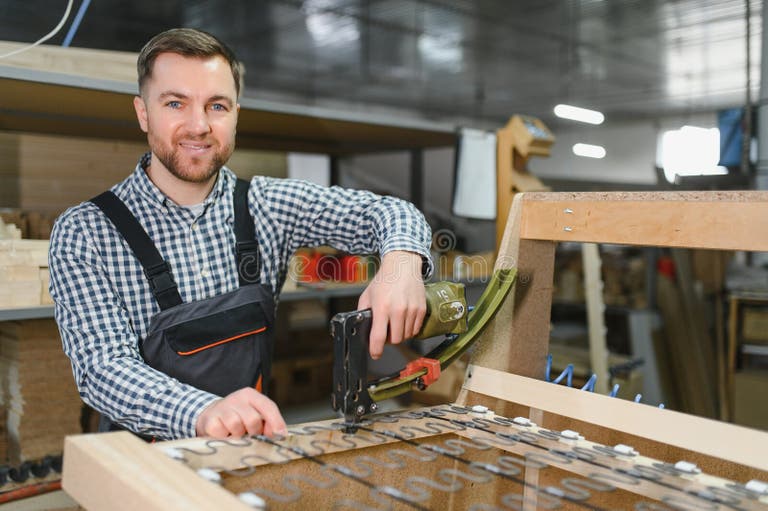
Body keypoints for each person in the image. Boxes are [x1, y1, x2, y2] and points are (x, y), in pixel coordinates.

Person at [48, 28, 432, 440]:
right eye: (175, 103)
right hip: (143, 467)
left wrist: (401, 265)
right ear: (143, 113)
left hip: (247, 448)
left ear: (235, 114)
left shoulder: (266, 205)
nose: (198, 126)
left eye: (216, 105)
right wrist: (203, 411)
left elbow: (388, 211)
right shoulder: (85, 232)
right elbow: (102, 368)